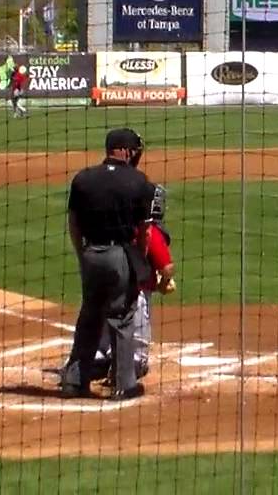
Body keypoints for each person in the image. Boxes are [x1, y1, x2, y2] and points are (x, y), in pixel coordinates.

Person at [59, 127, 156, 401]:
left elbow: (74, 223)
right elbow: (145, 231)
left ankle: (75, 381)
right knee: (122, 317)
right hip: (119, 255)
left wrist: (82, 254)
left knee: (89, 316)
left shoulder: (83, 179)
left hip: (91, 254)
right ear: (124, 150)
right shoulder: (139, 182)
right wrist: (139, 260)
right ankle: (125, 384)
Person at [89, 184, 177, 383]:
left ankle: (100, 359)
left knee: (104, 328)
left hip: (105, 287)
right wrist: (165, 281)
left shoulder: (114, 225)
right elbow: (166, 267)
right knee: (137, 349)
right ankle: (127, 369)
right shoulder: (149, 230)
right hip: (135, 294)